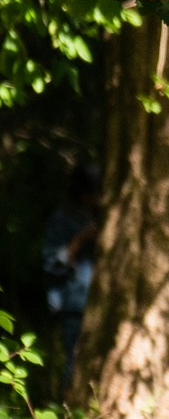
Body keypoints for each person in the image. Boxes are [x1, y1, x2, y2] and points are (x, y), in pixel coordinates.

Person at [40, 159, 99, 388]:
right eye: (90, 193)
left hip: (100, 302)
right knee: (74, 367)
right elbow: (52, 262)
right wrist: (79, 240)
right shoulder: (62, 219)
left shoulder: (102, 216)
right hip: (74, 304)